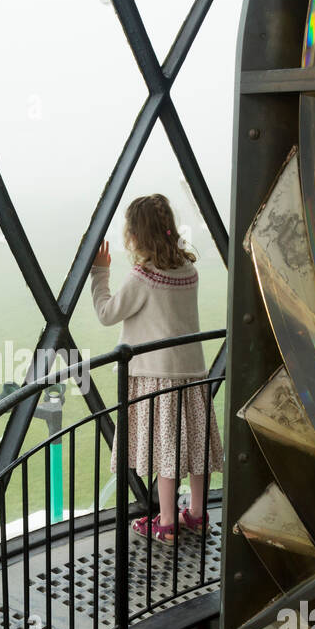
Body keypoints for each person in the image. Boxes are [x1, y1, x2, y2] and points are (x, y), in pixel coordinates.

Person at [90, 193, 224, 544]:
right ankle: (196, 515)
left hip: (156, 379)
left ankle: (166, 523)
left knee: (167, 451)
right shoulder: (188, 270)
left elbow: (107, 314)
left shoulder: (143, 277)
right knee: (196, 449)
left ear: (136, 235)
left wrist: (99, 273)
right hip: (193, 374)